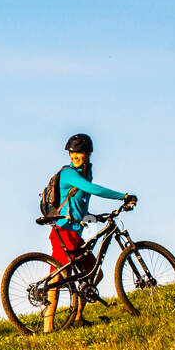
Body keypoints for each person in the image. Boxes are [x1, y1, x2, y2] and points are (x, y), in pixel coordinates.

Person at [44, 134, 137, 332]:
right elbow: (92, 189)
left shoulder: (87, 171)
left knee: (94, 273)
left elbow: (80, 205)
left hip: (76, 232)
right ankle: (48, 327)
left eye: (79, 153)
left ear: (88, 154)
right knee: (58, 276)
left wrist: (94, 217)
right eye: (72, 154)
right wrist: (124, 196)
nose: (75, 157)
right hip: (63, 230)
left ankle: (77, 318)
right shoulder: (69, 174)